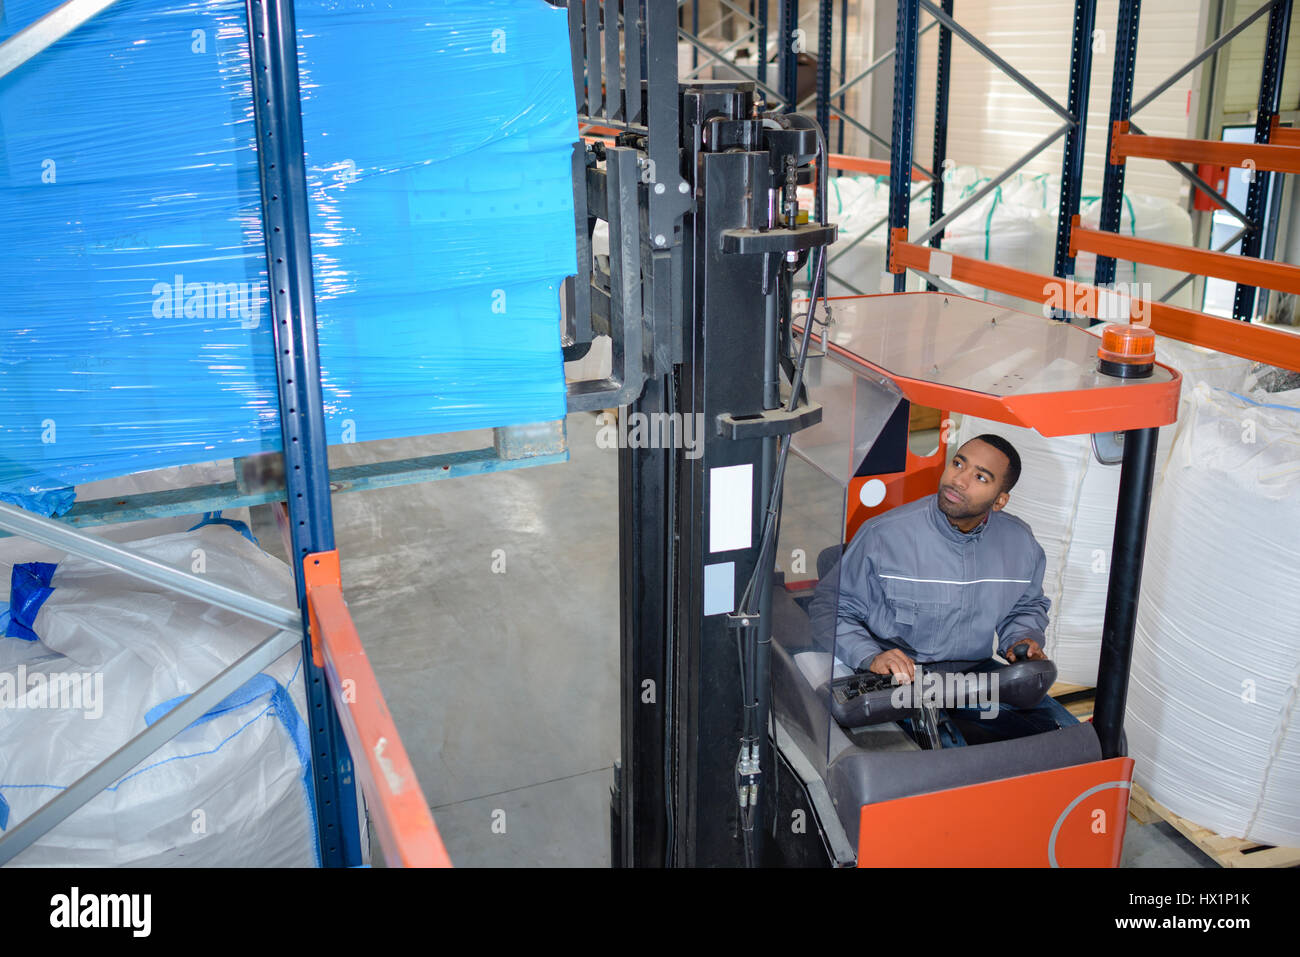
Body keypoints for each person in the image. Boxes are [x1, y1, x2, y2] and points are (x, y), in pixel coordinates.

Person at [809, 433, 1075, 743]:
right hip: (902, 681)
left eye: (980, 477)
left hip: (973, 677)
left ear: (1000, 500)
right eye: (958, 463)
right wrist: (870, 656)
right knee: (951, 757)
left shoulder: (1020, 543)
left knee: (1064, 735)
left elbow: (1024, 606)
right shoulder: (884, 536)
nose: (958, 480)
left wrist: (1022, 638)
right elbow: (829, 609)